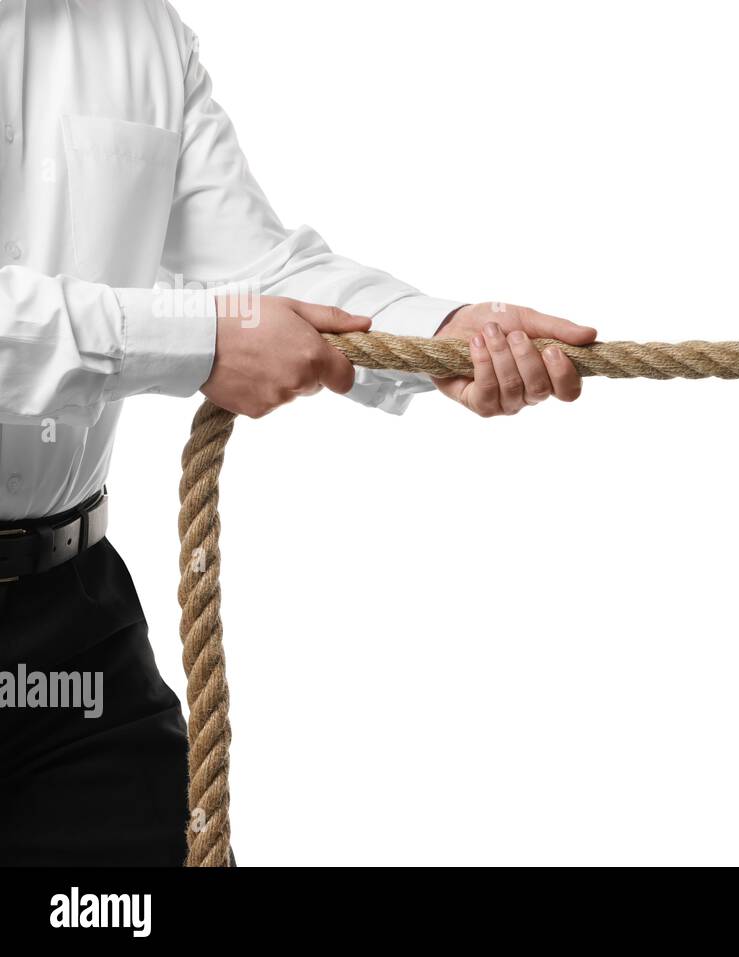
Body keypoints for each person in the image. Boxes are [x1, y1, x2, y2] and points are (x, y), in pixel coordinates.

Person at [0, 0, 594, 865]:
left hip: (70, 625)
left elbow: (259, 269)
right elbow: (223, 322)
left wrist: (443, 333)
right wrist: (200, 340)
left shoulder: (142, 31)